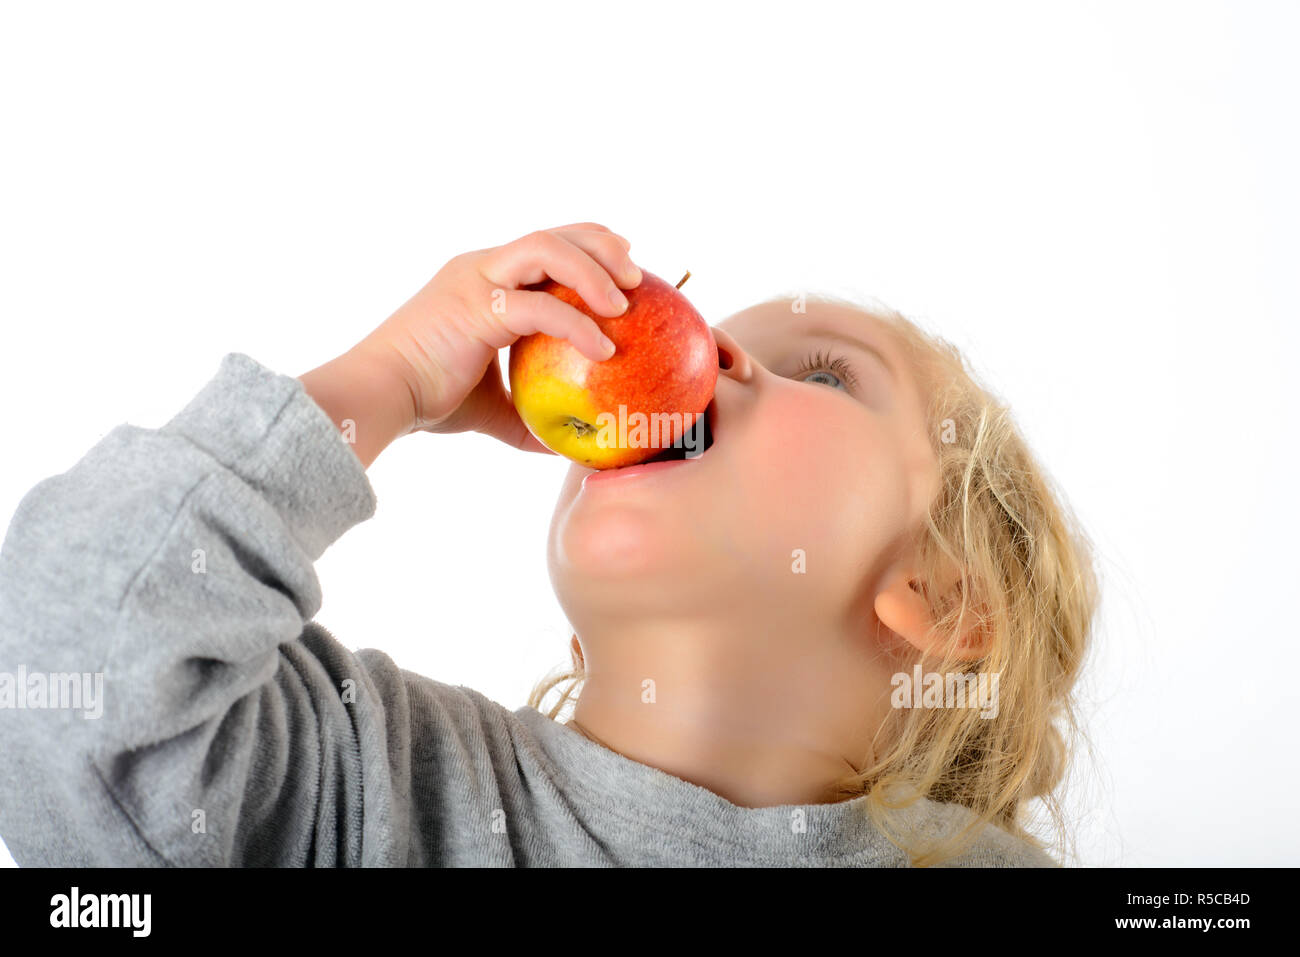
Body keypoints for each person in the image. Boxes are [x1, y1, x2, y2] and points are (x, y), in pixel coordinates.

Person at [0, 222, 1098, 866]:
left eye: (825, 372)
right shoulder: (372, 787)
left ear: (945, 602)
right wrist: (386, 386)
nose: (694, 344)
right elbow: (59, 665)